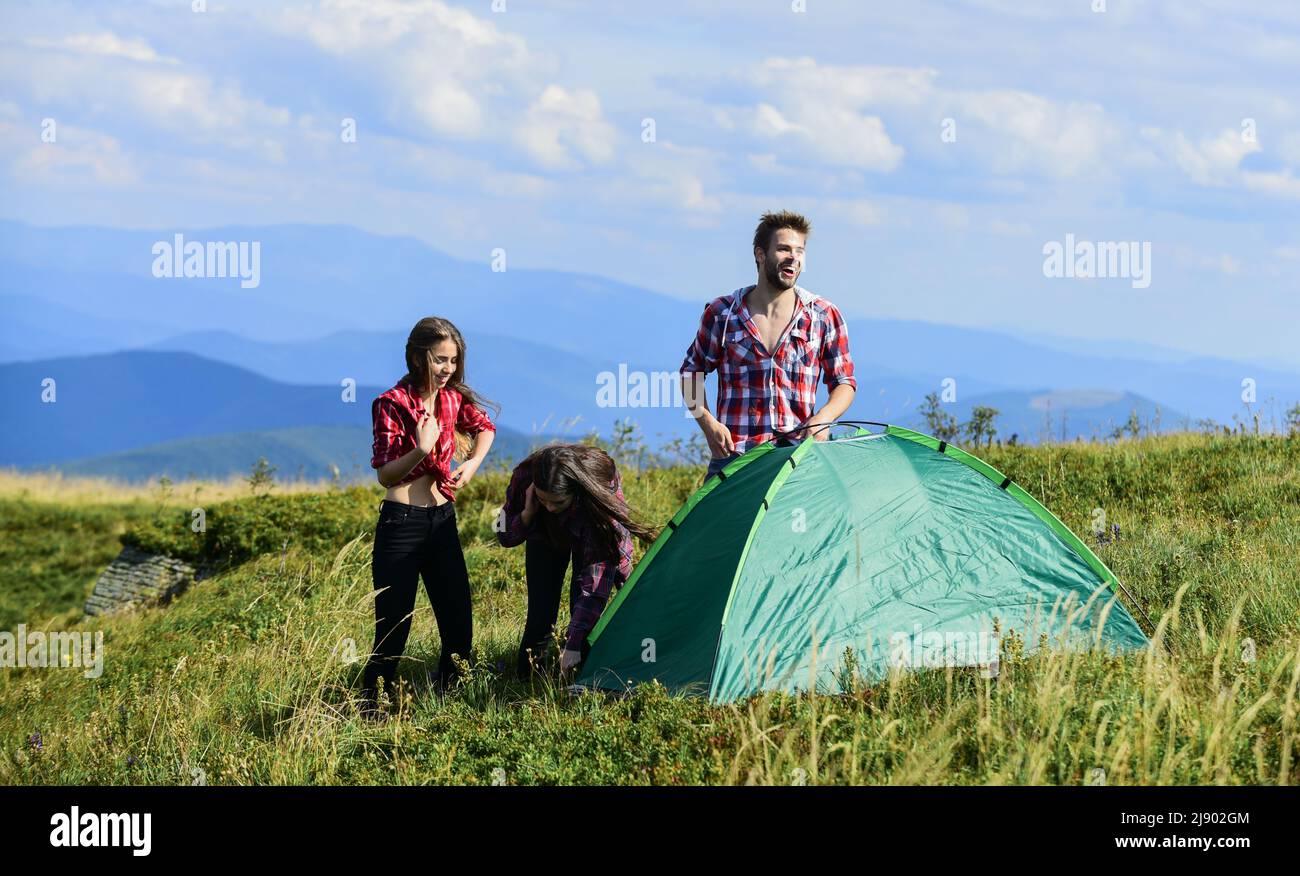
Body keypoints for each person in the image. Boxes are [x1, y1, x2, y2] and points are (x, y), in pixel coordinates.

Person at [362, 316, 497, 716]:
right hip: (401, 523)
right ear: (418, 356)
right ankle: (373, 708)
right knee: (394, 625)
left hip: (442, 519)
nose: (448, 370)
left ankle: (452, 701)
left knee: (458, 617)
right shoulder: (391, 403)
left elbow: (485, 427)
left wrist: (471, 465)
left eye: (453, 361)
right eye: (440, 360)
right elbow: (385, 474)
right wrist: (421, 449)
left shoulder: (452, 399)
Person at [680, 210, 857, 480]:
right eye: (784, 249)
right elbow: (691, 374)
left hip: (798, 461)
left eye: (799, 251)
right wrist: (708, 424)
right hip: (734, 460)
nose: (794, 257)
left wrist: (825, 418)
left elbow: (844, 381)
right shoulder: (723, 314)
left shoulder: (823, 315)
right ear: (760, 255)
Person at [495, 444, 657, 678]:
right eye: (543, 500)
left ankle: (581, 672)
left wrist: (573, 645)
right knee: (540, 613)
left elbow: (594, 586)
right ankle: (527, 677)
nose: (550, 507)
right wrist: (528, 513)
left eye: (558, 502)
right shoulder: (524, 475)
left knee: (583, 605)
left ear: (576, 492)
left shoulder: (600, 483)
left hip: (591, 527)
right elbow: (504, 534)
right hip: (544, 535)